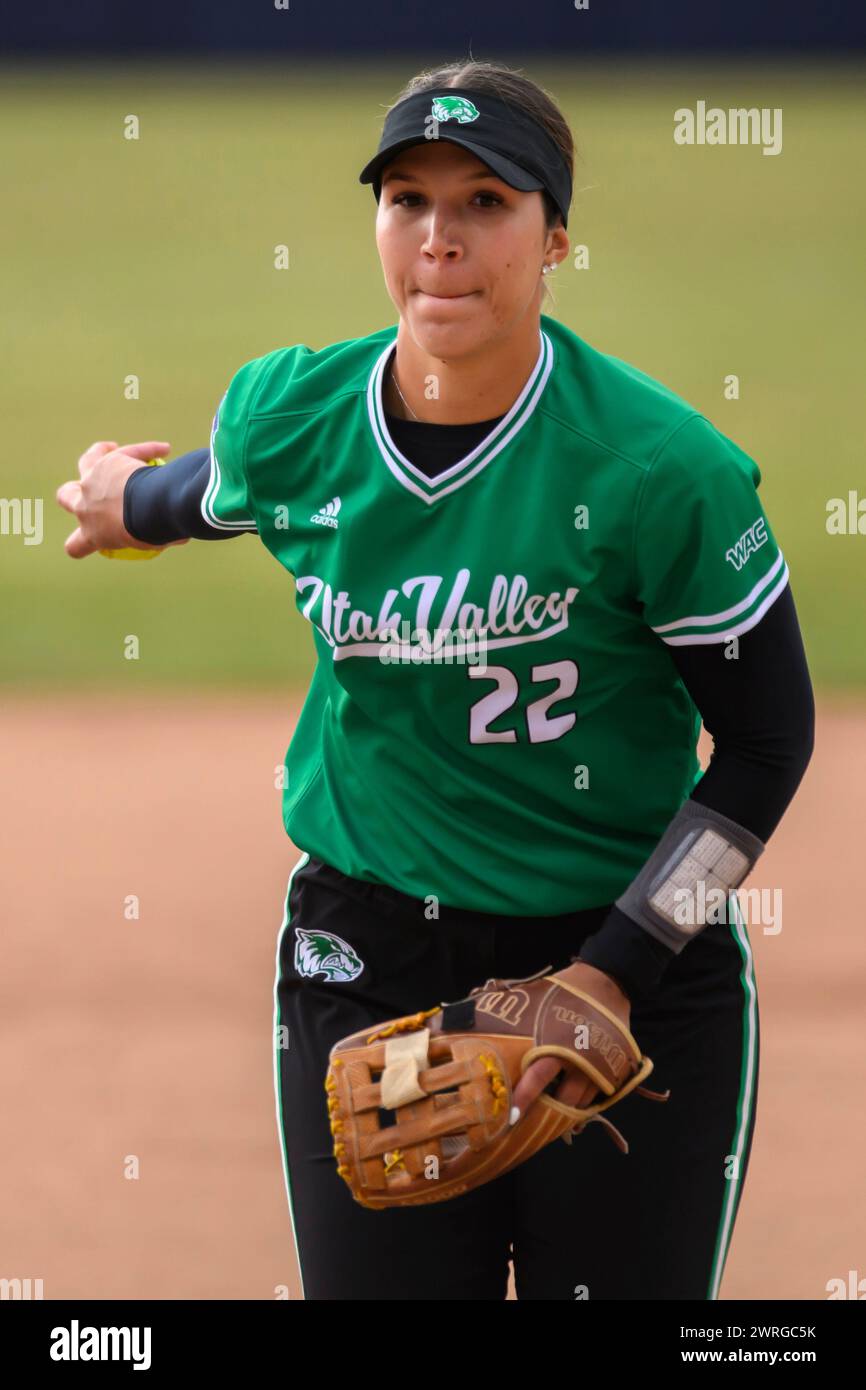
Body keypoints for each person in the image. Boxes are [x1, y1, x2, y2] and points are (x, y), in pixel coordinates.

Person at [56, 60, 814, 1301]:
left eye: (484, 202)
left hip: (626, 964)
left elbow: (767, 745)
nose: (437, 239)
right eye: (407, 198)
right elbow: (211, 488)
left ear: (553, 236)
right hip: (367, 958)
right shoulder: (295, 418)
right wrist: (121, 502)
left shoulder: (658, 471)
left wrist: (613, 968)